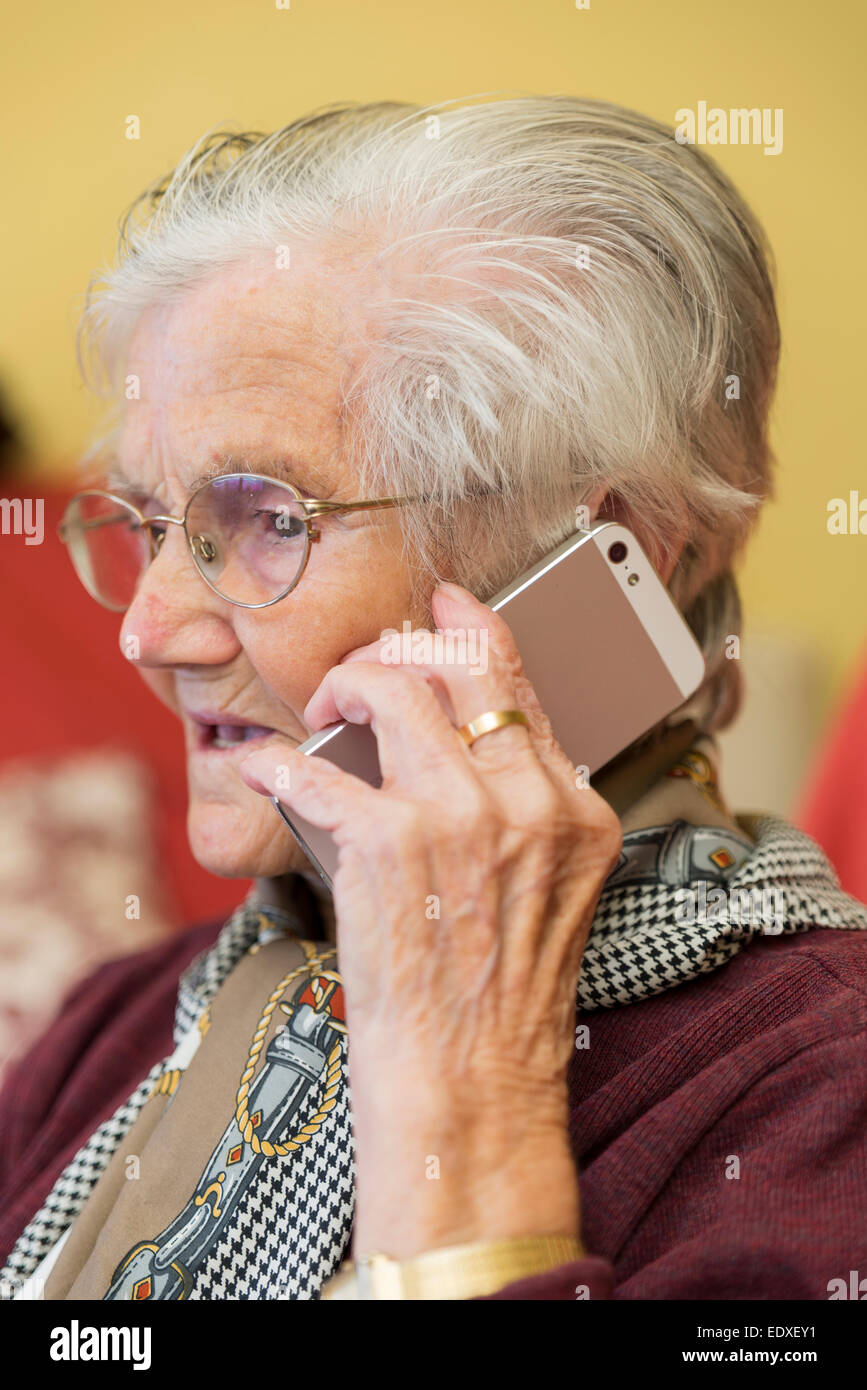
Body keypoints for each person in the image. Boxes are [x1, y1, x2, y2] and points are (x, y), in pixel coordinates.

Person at [2, 96, 865, 1302]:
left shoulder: (824, 1099)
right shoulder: (116, 1026)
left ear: (596, 554)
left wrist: (471, 1124)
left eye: (264, 522)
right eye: (147, 521)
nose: (147, 633)